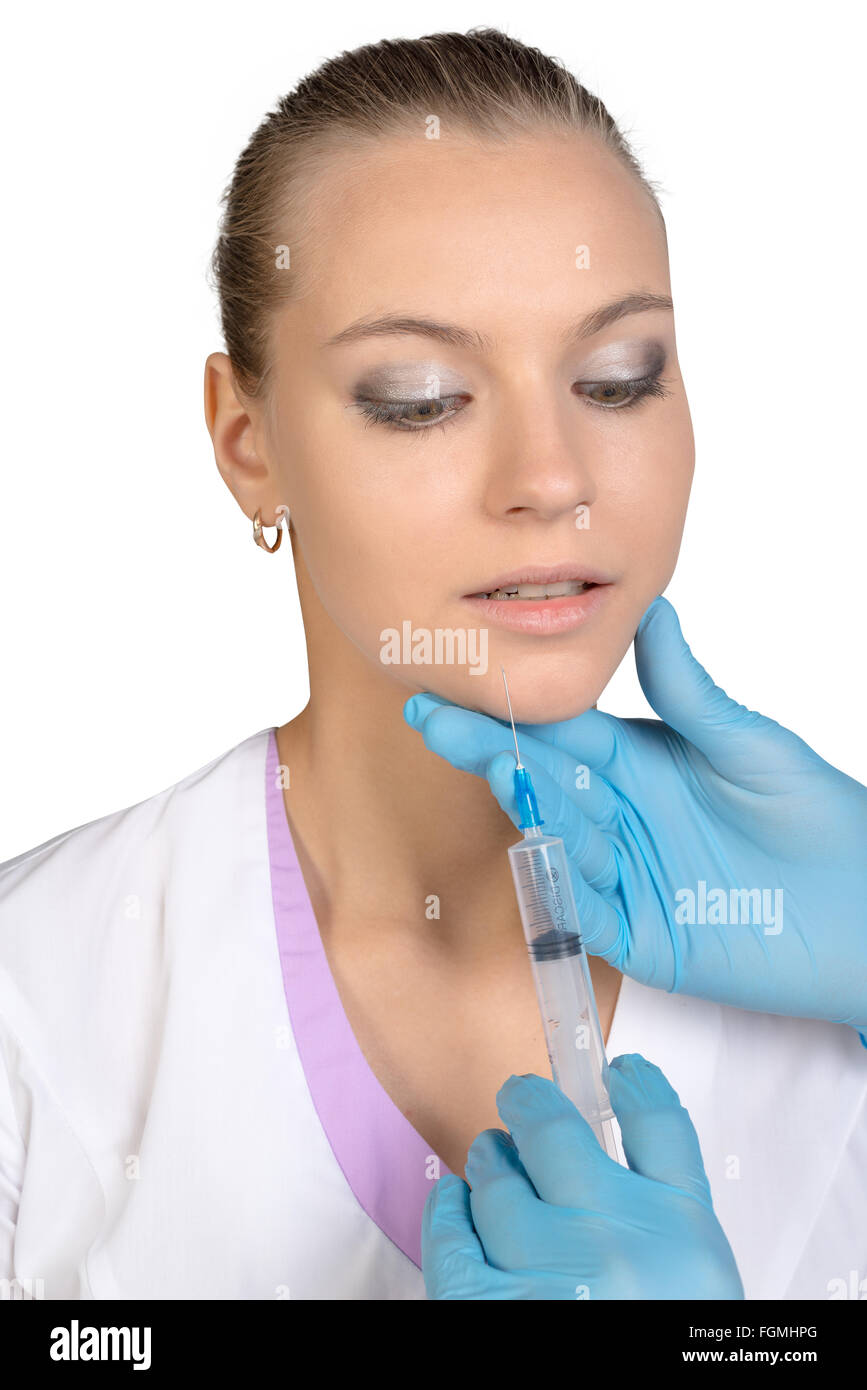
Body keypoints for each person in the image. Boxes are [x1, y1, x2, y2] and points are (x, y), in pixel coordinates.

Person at [1, 28, 864, 1302]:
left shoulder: (830, 960)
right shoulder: (40, 995)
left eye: (620, 379)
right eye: (419, 397)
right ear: (249, 441)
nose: (553, 479)